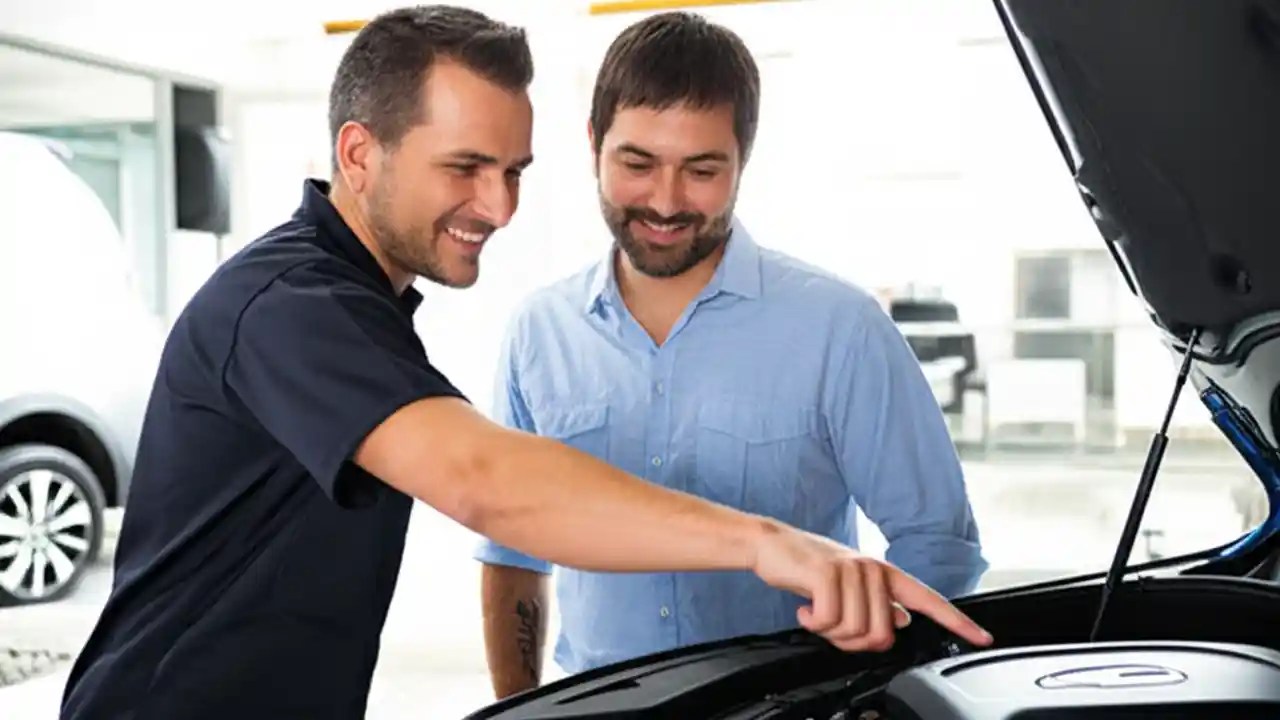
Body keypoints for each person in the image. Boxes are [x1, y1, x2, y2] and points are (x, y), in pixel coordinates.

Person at [59, 6, 990, 719]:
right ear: (358, 154)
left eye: (512, 171)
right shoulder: (295, 308)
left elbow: (939, 544)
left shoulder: (368, 311)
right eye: (464, 167)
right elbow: (491, 491)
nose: (499, 207)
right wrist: (767, 542)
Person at [474, 11, 990, 699]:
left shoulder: (840, 327)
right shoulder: (539, 333)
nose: (664, 200)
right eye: (637, 163)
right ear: (594, 143)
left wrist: (865, 684)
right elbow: (512, 553)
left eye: (701, 169)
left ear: (743, 159)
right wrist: (519, 710)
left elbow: (938, 546)